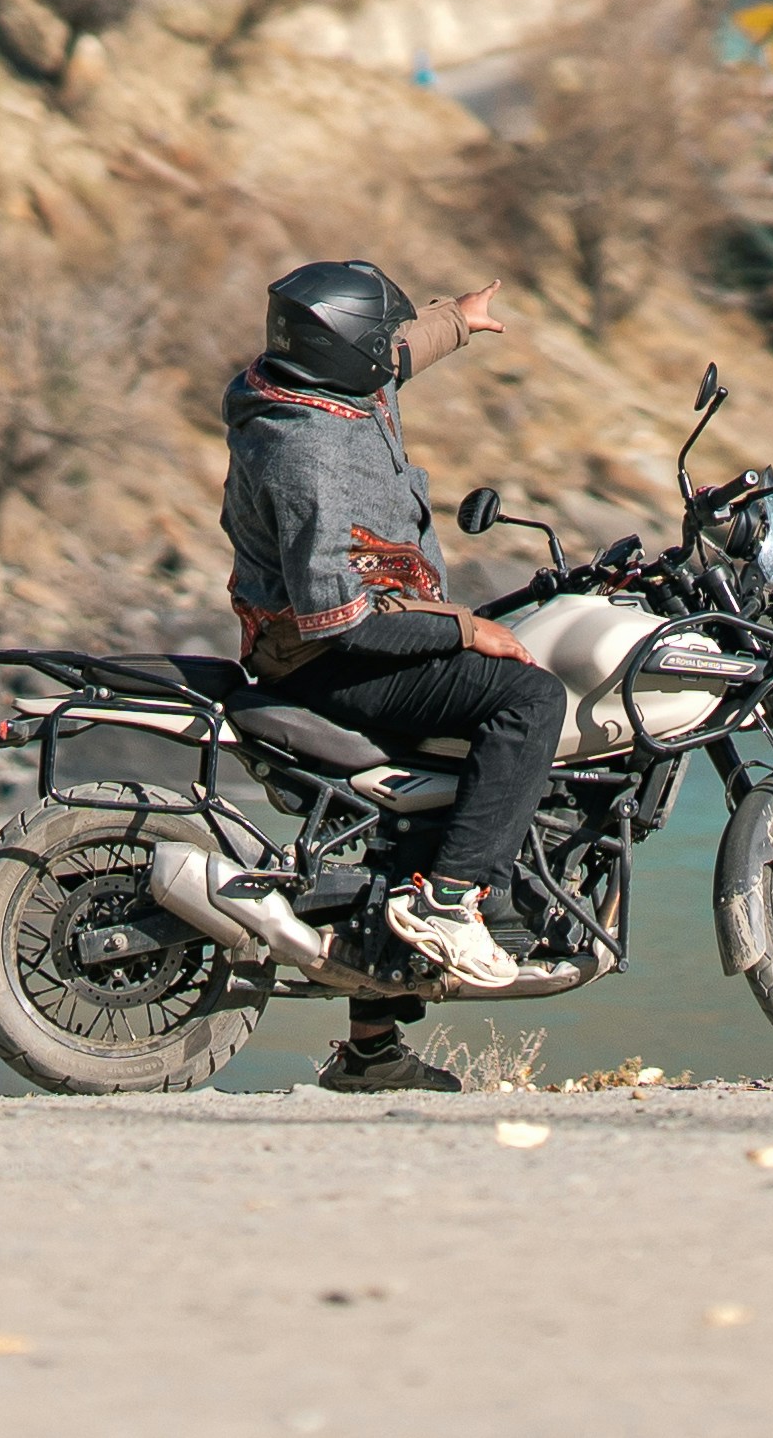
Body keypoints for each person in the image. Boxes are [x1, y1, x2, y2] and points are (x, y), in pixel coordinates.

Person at [217, 257, 564, 1091]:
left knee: (428, 779)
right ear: (346, 352)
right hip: (328, 656)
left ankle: (371, 1050)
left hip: (363, 631)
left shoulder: (317, 381)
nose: (388, 353)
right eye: (378, 340)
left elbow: (394, 356)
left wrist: (459, 319)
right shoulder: (305, 453)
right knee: (528, 697)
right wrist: (464, 628)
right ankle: (448, 898)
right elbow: (342, 617)